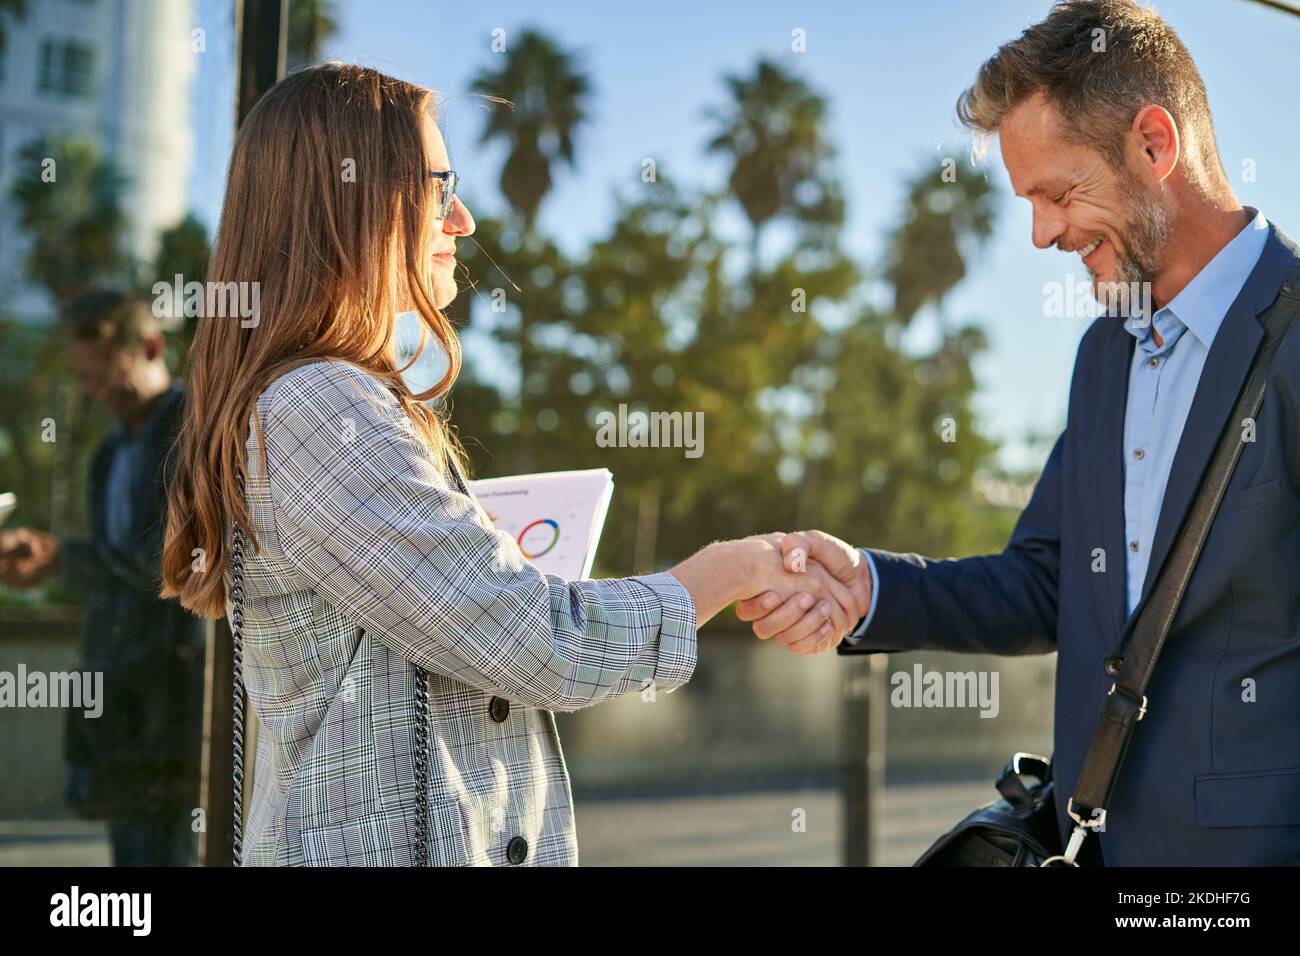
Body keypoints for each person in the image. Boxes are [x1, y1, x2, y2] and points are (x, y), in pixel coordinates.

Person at [159, 63, 869, 867]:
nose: (461, 218)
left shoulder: (327, 402)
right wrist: (734, 569)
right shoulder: (322, 406)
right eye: (437, 187)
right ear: (347, 199)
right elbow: (543, 645)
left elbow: (479, 631)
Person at [741, 0, 1300, 866]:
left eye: (1057, 193)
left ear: (1156, 145)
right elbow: (1048, 582)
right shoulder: (1103, 354)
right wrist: (871, 588)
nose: (1041, 233)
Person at [0, 290, 206, 866]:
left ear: (150, 346)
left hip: (177, 712)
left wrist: (63, 558)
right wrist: (45, 567)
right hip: (119, 712)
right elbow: (109, 568)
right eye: (85, 378)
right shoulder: (107, 455)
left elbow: (169, 562)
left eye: (104, 376)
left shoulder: (194, 431)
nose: (95, 391)